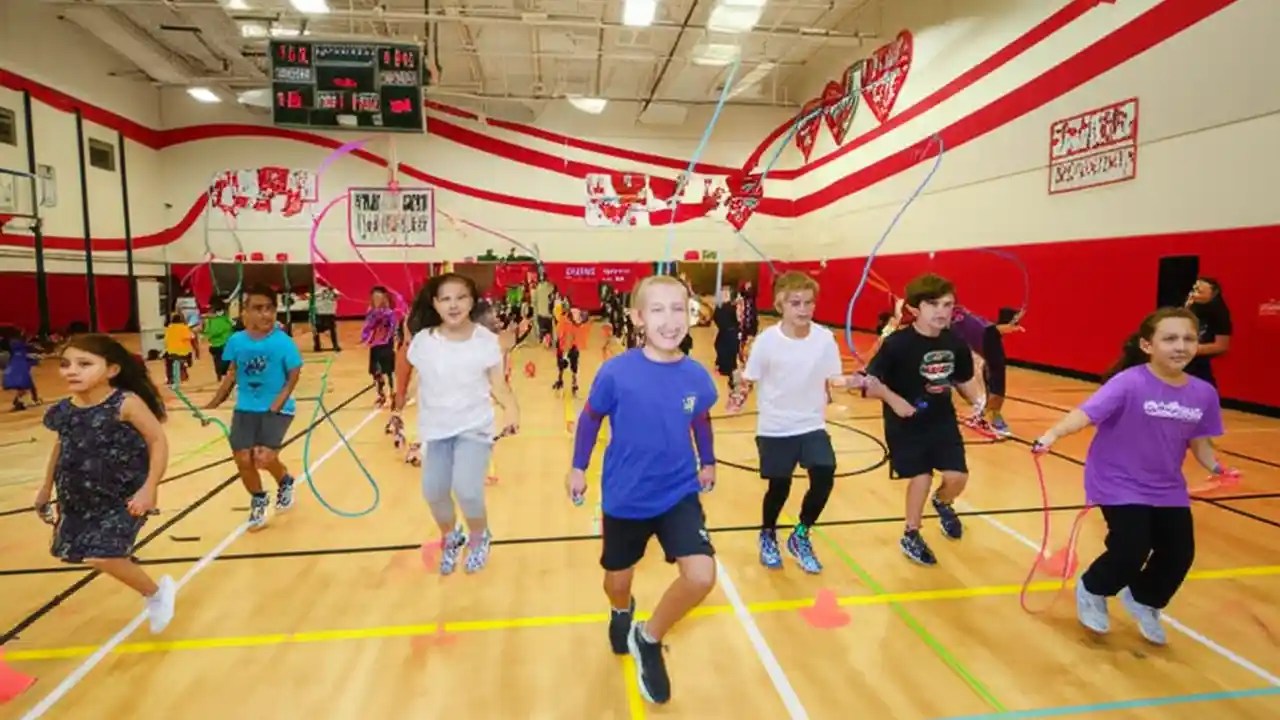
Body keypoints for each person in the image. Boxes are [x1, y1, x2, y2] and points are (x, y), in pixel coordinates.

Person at [567, 275, 718, 705]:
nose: (670, 321)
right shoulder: (616, 372)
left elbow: (700, 421)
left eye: (679, 309)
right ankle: (621, 611)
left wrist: (707, 460)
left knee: (702, 575)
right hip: (626, 497)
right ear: (637, 318)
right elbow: (591, 418)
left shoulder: (696, 376)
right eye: (658, 310)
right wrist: (578, 468)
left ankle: (648, 637)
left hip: (678, 492)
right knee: (618, 581)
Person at [1034, 307, 1223, 644]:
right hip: (1116, 480)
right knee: (1131, 547)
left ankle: (1145, 598)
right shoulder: (1129, 382)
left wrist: (1217, 467)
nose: (1181, 346)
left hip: (1166, 485)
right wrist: (1052, 434)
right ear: (1147, 345)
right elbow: (1085, 414)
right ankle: (1093, 588)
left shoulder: (1203, 393)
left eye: (1189, 339)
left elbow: (1199, 439)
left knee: (1179, 552)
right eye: (1170, 338)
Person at [726, 271, 867, 573]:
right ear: (781, 305)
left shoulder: (824, 338)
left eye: (808, 303)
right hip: (775, 427)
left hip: (811, 424)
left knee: (825, 472)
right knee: (780, 487)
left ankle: (801, 533)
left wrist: (856, 381)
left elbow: (833, 378)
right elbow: (749, 378)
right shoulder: (766, 342)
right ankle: (768, 533)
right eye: (796, 303)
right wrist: (737, 397)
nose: (803, 309)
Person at [36, 334, 176, 633]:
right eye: (66, 364)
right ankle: (144, 582)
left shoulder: (125, 403)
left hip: (123, 496)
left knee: (102, 555)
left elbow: (157, 441)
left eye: (84, 364)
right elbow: (61, 447)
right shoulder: (64, 410)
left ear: (112, 370)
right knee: (88, 553)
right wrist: (46, 488)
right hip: (78, 497)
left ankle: (157, 593)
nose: (72, 371)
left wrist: (150, 487)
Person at [392, 273, 520, 575]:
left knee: (468, 490)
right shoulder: (424, 342)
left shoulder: (485, 342)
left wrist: (513, 411)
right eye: (446, 299)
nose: (453, 305)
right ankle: (451, 536)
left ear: (472, 302)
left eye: (461, 298)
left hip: (474, 428)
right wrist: (399, 405)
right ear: (435, 304)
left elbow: (499, 385)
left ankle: (479, 536)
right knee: (433, 491)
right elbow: (417, 379)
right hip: (435, 429)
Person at [864, 274, 986, 566]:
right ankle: (911, 533)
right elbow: (869, 385)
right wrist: (895, 401)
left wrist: (979, 403)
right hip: (904, 423)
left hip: (942, 420)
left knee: (957, 477)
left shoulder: (955, 342)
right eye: (933, 304)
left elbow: (963, 380)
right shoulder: (897, 344)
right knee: (921, 477)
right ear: (915, 308)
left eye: (947, 305)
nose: (942, 311)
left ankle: (942, 503)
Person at [206, 285, 303, 530]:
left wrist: (280, 400)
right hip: (246, 407)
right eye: (258, 309)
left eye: (269, 309)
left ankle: (284, 481)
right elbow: (233, 372)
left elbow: (294, 373)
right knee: (243, 458)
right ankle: (259, 499)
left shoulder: (283, 343)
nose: (265, 315)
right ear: (245, 313)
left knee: (263, 456)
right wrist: (215, 401)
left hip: (276, 408)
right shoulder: (236, 342)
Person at [948, 305, 1024, 437]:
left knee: (993, 373)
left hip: (984, 337)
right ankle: (987, 414)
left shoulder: (983, 333)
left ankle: (988, 414)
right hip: (978, 337)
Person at [360, 286, 400, 407]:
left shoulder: (389, 313)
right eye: (374, 298)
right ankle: (381, 394)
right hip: (375, 345)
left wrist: (393, 334)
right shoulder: (371, 313)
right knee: (376, 372)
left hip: (386, 345)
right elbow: (367, 327)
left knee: (389, 371)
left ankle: (393, 394)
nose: (376, 300)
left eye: (378, 298)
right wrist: (365, 338)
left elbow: (393, 327)